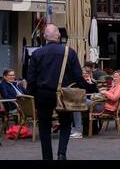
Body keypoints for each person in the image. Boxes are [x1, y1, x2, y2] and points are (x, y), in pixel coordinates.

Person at [23, 23, 94, 161]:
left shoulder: (37, 54)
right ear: (59, 36)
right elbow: (78, 76)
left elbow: (30, 78)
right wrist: (89, 88)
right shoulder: (70, 52)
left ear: (44, 37)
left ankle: (47, 157)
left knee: (44, 127)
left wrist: (30, 94)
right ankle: (61, 153)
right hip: (63, 94)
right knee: (66, 123)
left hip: (43, 94)